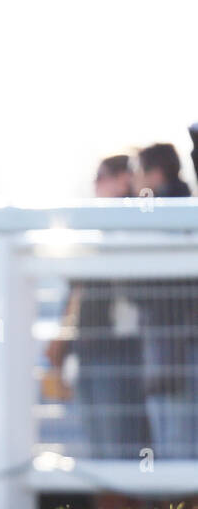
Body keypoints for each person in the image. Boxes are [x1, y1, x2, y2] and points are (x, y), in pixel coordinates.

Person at [46, 155, 148, 467]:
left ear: (123, 179)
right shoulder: (95, 227)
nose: (96, 185)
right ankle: (110, 495)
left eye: (102, 177)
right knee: (98, 441)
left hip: (117, 350)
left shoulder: (137, 224)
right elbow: (77, 289)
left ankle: (125, 494)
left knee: (118, 440)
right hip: (88, 348)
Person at [129, 143, 198, 459]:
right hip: (174, 348)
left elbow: (142, 284)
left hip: (174, 349)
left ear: (155, 174)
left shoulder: (168, 214)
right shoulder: (177, 209)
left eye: (138, 171)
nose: (134, 179)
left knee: (178, 442)